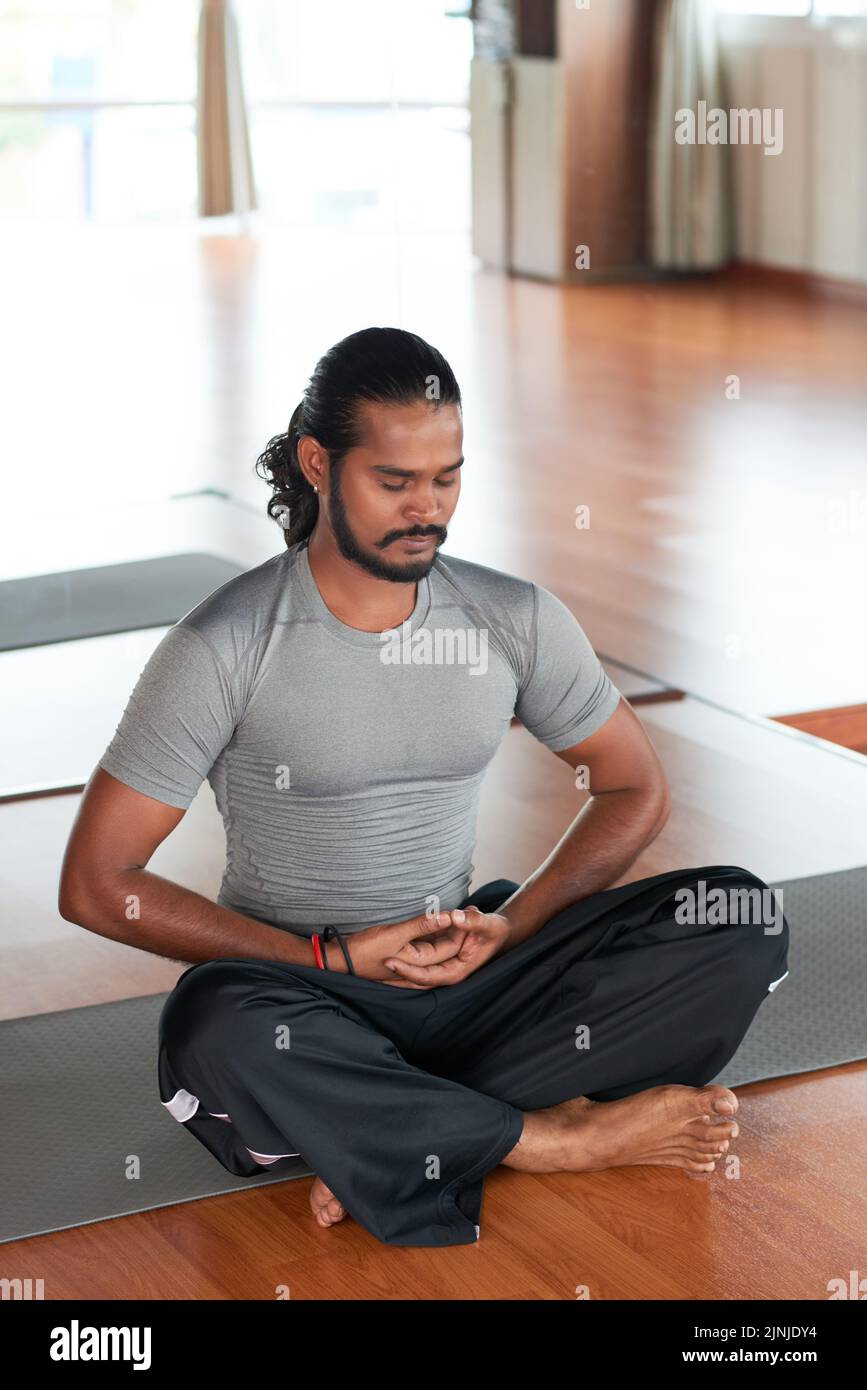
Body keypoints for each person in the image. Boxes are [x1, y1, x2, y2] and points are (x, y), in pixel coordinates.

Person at [59, 327, 789, 1248]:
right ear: (317, 463)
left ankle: (398, 1134)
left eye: (446, 477)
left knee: (734, 916)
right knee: (213, 1025)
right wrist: (327, 960)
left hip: (472, 966)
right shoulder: (224, 644)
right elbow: (96, 882)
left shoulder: (509, 616)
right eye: (395, 482)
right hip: (304, 996)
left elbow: (631, 786)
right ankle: (537, 1137)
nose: (427, 509)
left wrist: (511, 927)